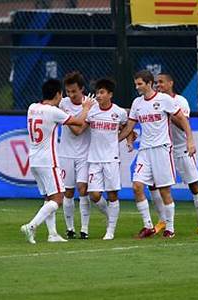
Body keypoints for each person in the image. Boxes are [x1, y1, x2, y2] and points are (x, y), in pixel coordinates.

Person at [118, 70, 196, 239]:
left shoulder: (164, 100)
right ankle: (147, 226)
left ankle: (170, 228)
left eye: (139, 83)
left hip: (162, 149)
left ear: (149, 83)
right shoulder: (137, 103)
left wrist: (190, 140)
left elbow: (183, 120)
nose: (136, 86)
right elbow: (129, 127)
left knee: (164, 191)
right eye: (136, 83)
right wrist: (115, 140)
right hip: (144, 150)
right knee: (137, 186)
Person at [20, 78, 94, 244]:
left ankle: (52, 234)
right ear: (58, 94)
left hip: (34, 160)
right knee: (58, 198)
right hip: (48, 161)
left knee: (48, 197)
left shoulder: (32, 107)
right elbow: (79, 122)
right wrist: (86, 108)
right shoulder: (53, 111)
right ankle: (31, 226)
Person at [69, 78, 129, 240]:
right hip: (94, 159)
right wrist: (68, 120)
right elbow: (80, 129)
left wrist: (123, 139)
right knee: (94, 195)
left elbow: (128, 127)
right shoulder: (92, 111)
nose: (99, 95)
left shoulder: (119, 112)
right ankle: (111, 216)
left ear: (110, 94)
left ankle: (110, 231)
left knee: (112, 195)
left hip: (111, 159)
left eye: (102, 92)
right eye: (97, 93)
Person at [150, 73, 198, 236]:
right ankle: (163, 220)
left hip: (181, 149)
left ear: (170, 83)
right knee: (154, 185)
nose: (158, 85)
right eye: (156, 82)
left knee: (194, 186)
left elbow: (183, 124)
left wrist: (168, 111)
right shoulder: (154, 101)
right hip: (162, 150)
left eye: (161, 82)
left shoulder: (180, 101)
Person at [58, 71, 92, 239]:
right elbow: (76, 126)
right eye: (68, 91)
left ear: (82, 89)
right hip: (65, 154)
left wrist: (71, 118)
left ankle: (84, 229)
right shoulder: (63, 103)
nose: (71, 95)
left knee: (83, 189)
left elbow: (79, 130)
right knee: (68, 192)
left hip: (84, 154)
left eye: (74, 91)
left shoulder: (91, 103)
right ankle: (70, 228)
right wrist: (82, 113)